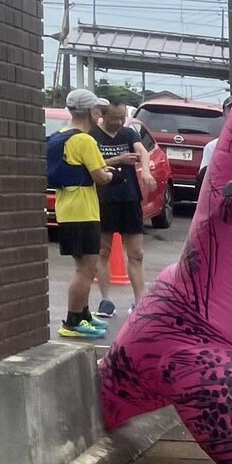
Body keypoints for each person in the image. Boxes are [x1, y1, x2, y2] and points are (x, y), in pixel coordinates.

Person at [48, 88, 117, 340]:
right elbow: (100, 176)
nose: (100, 114)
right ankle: (73, 320)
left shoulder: (62, 135)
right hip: (82, 210)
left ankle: (84, 315)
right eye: (99, 110)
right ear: (92, 111)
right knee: (86, 269)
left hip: (67, 207)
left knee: (85, 266)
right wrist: (111, 174)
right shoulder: (85, 140)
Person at [92, 102, 154, 317]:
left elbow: (142, 152)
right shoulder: (92, 135)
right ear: (102, 115)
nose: (118, 122)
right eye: (114, 118)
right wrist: (118, 159)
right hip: (104, 199)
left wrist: (145, 172)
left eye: (121, 117)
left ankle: (139, 301)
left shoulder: (128, 133)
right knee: (103, 251)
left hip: (129, 198)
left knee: (136, 253)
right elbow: (91, 164)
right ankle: (105, 300)